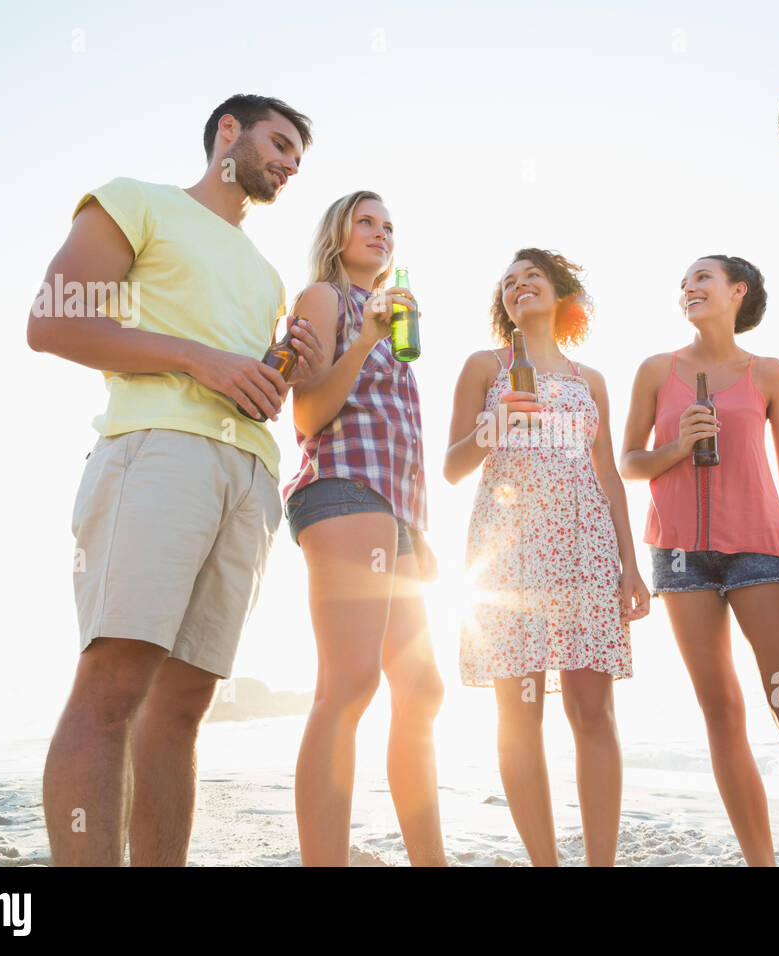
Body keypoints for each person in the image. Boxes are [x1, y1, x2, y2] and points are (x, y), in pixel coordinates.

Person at [31, 94, 320, 865]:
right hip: (158, 453)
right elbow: (52, 322)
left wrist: (275, 369)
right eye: (281, 143)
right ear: (229, 131)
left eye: (299, 157)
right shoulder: (137, 201)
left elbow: (245, 377)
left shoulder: (267, 277)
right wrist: (200, 358)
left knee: (184, 709)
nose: (290, 163)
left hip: (250, 477)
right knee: (115, 684)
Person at [619, 255, 779, 866]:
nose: (689, 288)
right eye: (683, 283)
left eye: (702, 278)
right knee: (721, 716)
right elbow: (627, 462)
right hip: (678, 557)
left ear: (736, 292)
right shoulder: (656, 371)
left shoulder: (771, 374)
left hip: (759, 551)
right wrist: (678, 447)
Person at [444, 248, 650, 866]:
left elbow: (609, 475)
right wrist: (492, 425)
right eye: (508, 282)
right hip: (506, 553)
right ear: (503, 305)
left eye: (532, 276)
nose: (519, 286)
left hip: (585, 550)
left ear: (561, 295)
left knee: (593, 710)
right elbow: (453, 468)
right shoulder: (486, 367)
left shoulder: (592, 381)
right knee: (519, 710)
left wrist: (630, 566)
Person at [283, 190, 446, 866]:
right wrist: (370, 339)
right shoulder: (325, 298)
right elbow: (307, 415)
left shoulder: (390, 313)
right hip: (343, 489)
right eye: (366, 221)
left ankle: (431, 861)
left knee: (422, 688)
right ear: (338, 232)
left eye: (389, 226)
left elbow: (402, 436)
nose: (381, 233)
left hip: (396, 514)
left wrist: (418, 531)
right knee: (350, 683)